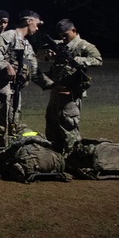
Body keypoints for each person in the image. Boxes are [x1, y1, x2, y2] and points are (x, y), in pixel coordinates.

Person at [0, 11, 53, 161]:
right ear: (29, 21)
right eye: (37, 24)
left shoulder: (26, 44)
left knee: (13, 122)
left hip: (16, 89)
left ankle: (4, 155)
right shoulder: (10, 36)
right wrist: (6, 66)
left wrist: (52, 85)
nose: (37, 28)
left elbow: (34, 71)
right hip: (3, 87)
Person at [44, 18, 102, 154]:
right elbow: (41, 54)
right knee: (52, 122)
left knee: (68, 124)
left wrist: (78, 60)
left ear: (74, 30)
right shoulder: (60, 45)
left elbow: (98, 60)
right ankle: (55, 154)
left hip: (71, 92)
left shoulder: (84, 46)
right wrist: (49, 55)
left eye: (66, 35)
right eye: (61, 36)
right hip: (56, 90)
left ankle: (73, 155)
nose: (63, 39)